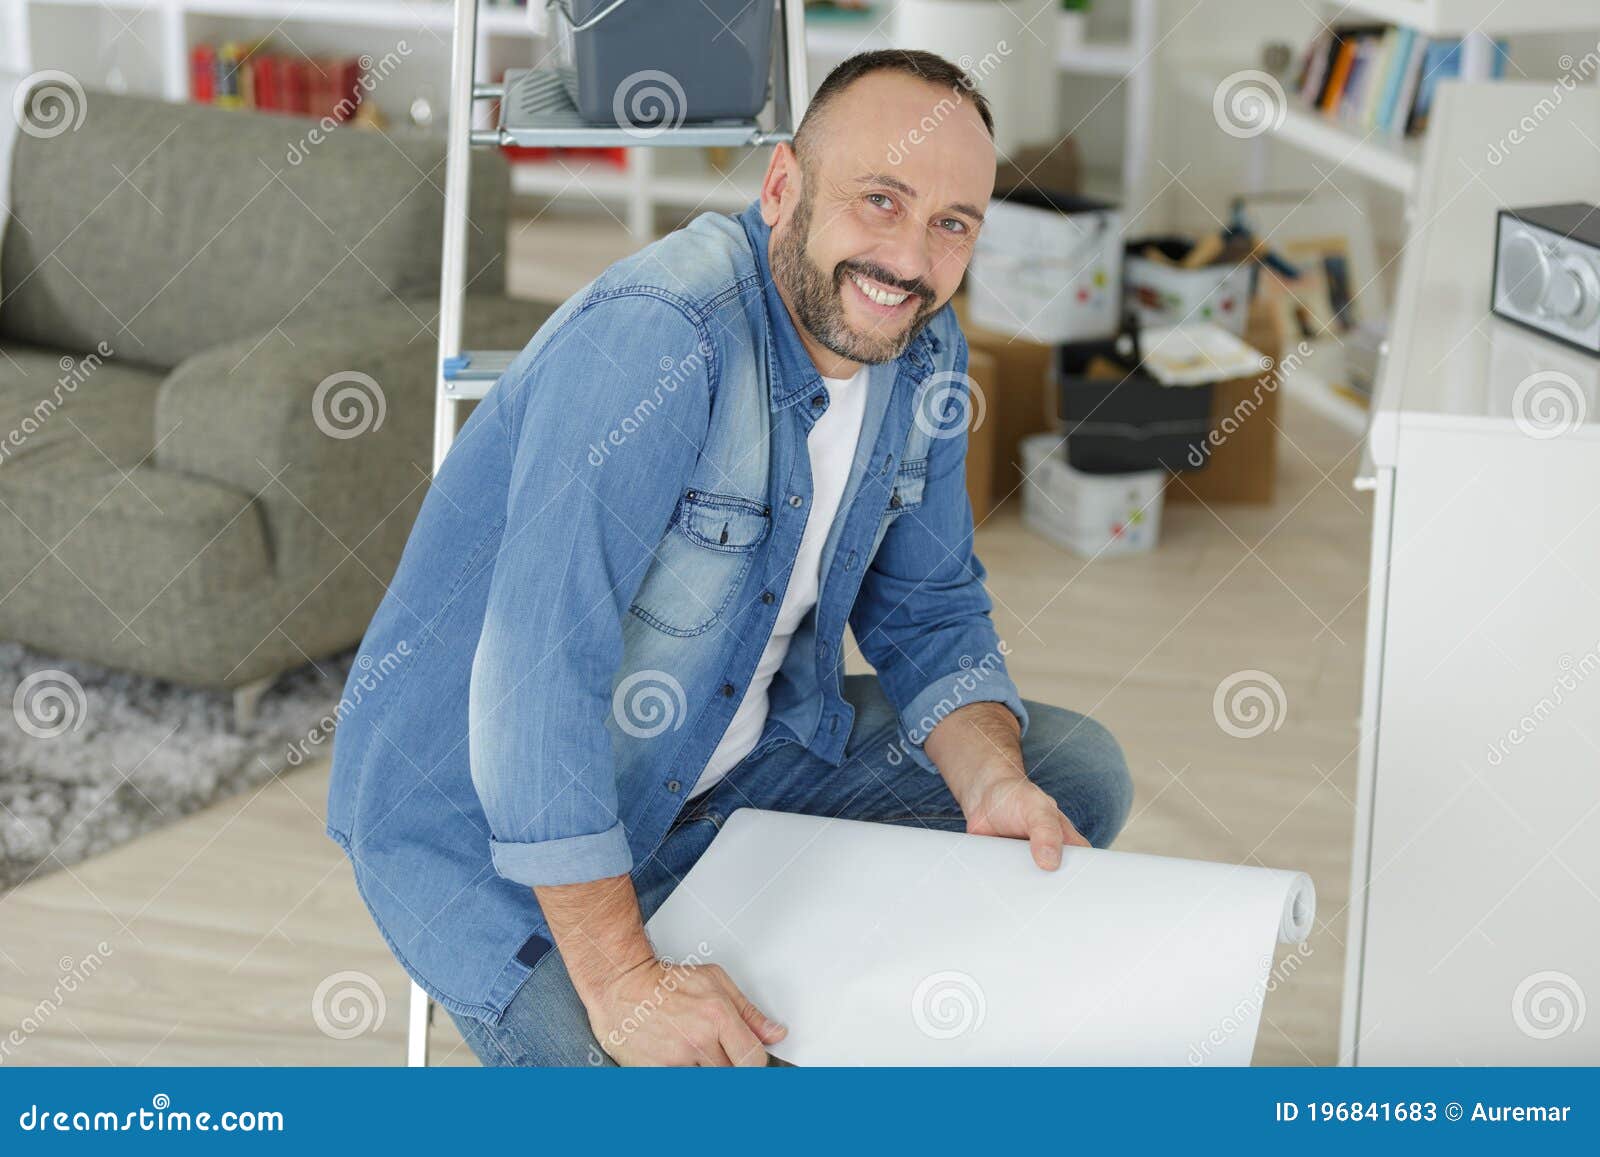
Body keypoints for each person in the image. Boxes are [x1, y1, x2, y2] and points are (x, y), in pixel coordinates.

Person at [325, 49, 1133, 1068]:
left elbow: (928, 608)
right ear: (782, 187)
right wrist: (623, 983)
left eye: (951, 223)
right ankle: (649, 947)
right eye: (879, 200)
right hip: (493, 836)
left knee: (1069, 773)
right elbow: (535, 682)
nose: (911, 260)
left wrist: (987, 780)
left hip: (733, 769)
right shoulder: (660, 342)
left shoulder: (923, 350)